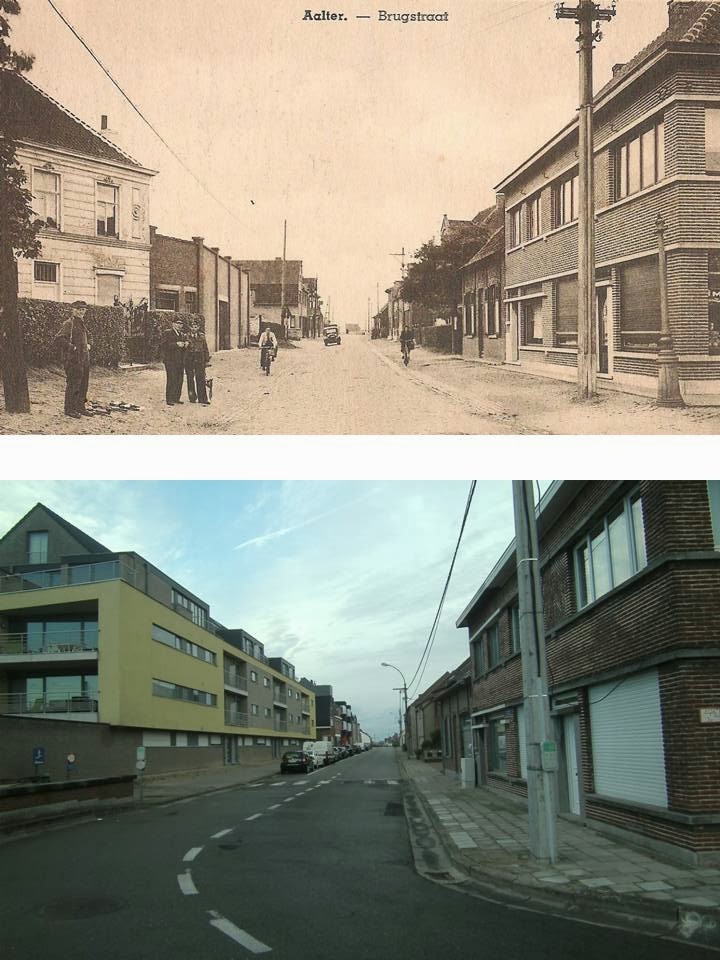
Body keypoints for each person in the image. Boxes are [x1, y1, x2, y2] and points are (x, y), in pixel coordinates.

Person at [54, 300, 92, 418]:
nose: (81, 312)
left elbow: (89, 336)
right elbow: (59, 339)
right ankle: (69, 409)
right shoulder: (69, 324)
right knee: (74, 384)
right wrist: (72, 347)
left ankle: (80, 407)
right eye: (79, 310)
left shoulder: (82, 323)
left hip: (84, 359)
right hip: (73, 360)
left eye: (83, 310)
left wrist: (89, 344)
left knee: (83, 384)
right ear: (73, 310)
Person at [161, 317, 188, 405]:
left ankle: (176, 398)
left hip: (180, 361)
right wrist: (176, 344)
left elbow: (183, 349)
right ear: (173, 324)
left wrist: (185, 345)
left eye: (181, 324)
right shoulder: (167, 333)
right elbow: (163, 345)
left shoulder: (182, 334)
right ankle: (169, 399)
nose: (179, 325)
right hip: (170, 360)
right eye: (177, 323)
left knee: (179, 379)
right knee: (171, 379)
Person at [184, 318, 211, 404]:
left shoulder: (202, 336)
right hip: (189, 360)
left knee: (201, 379)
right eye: (192, 327)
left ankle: (202, 398)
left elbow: (205, 349)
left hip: (200, 360)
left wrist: (206, 360)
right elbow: (183, 350)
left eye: (195, 327)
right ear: (190, 327)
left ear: (198, 327)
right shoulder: (186, 336)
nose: (194, 329)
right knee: (190, 379)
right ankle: (192, 397)